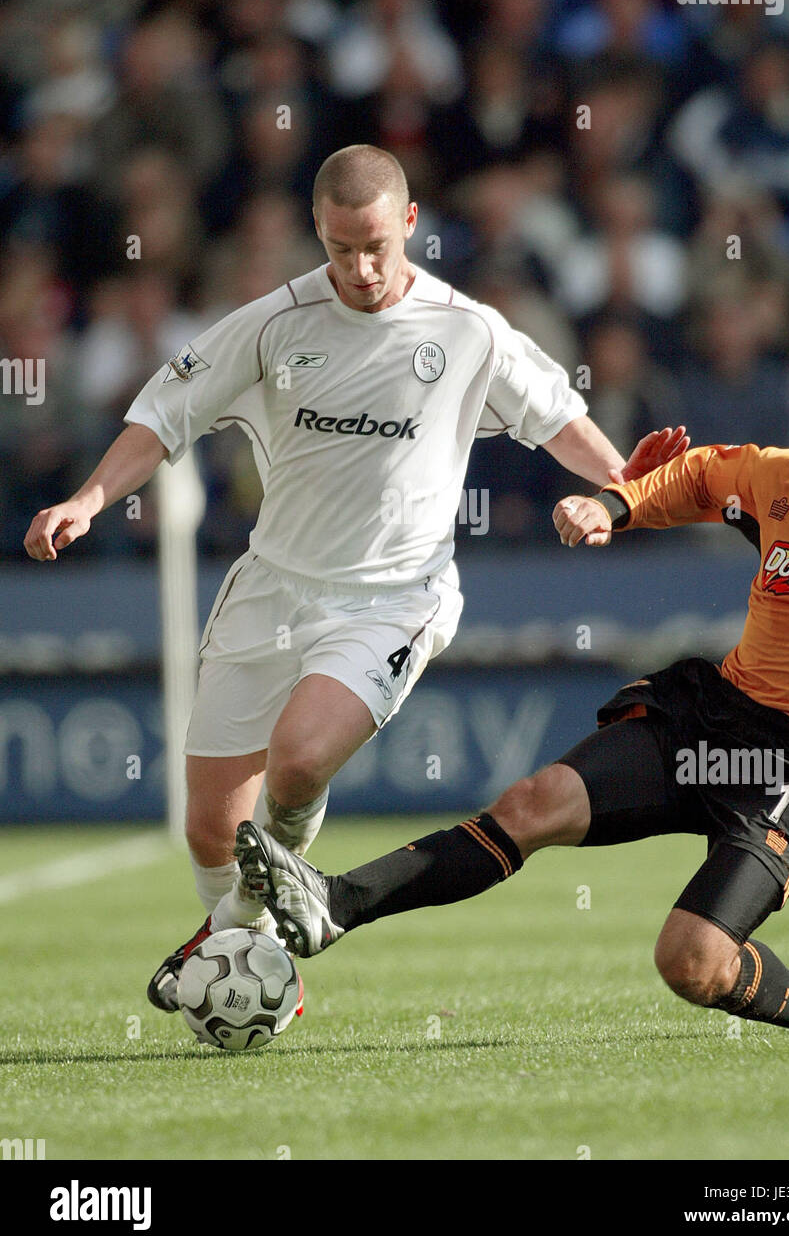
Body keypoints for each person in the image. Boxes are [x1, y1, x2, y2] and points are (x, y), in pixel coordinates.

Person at [23, 143, 688, 1014]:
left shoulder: (466, 329)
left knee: (298, 763)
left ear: (410, 223)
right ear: (318, 233)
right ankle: (253, 946)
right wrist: (87, 499)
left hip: (392, 599)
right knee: (209, 830)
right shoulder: (272, 323)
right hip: (269, 590)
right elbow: (162, 414)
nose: (363, 267)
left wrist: (622, 490)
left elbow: (559, 419)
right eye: (341, 249)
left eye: (377, 245)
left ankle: (259, 920)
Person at [234, 371, 789, 1033]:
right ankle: (335, 902)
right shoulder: (781, 479)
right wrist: (610, 506)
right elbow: (696, 477)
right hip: (712, 720)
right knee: (531, 804)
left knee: (692, 964)